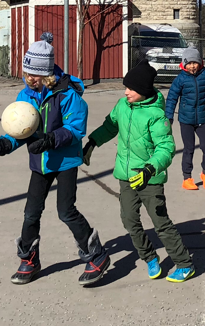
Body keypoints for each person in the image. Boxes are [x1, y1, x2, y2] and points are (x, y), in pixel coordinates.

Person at [0, 32, 110, 286]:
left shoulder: (68, 95)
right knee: (31, 213)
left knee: (65, 211)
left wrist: (51, 140)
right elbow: (22, 129)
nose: (29, 78)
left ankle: (95, 255)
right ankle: (29, 259)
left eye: (34, 74)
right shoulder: (26, 95)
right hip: (40, 163)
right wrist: (5, 143)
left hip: (65, 160)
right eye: (27, 73)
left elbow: (76, 128)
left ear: (47, 74)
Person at [84, 61, 196, 282]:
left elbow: (166, 147)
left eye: (131, 89)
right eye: (125, 87)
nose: (126, 92)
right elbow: (110, 125)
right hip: (126, 176)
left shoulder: (156, 115)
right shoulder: (122, 106)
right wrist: (92, 142)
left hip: (149, 178)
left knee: (160, 222)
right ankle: (149, 257)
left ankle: (184, 264)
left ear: (144, 91)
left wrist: (149, 168)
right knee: (128, 219)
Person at [164, 47, 205, 190]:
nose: (192, 66)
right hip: (186, 120)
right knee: (189, 149)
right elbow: (171, 98)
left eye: (195, 63)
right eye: (189, 63)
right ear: (184, 64)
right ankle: (187, 178)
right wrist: (169, 117)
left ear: (200, 62)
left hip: (203, 118)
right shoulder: (180, 79)